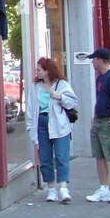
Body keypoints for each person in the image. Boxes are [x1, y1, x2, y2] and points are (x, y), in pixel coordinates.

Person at [28, 56, 78, 203]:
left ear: (47, 71)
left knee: (62, 156)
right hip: (42, 123)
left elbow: (72, 102)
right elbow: (31, 109)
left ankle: (63, 187)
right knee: (45, 157)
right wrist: (30, 127)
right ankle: (51, 188)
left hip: (59, 124)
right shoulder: (36, 88)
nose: (36, 73)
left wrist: (60, 97)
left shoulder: (61, 84)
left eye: (39, 70)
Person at [84, 48, 110, 203]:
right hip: (99, 119)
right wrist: (96, 117)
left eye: (94, 59)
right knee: (100, 155)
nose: (92, 62)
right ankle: (103, 188)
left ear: (101, 60)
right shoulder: (100, 78)